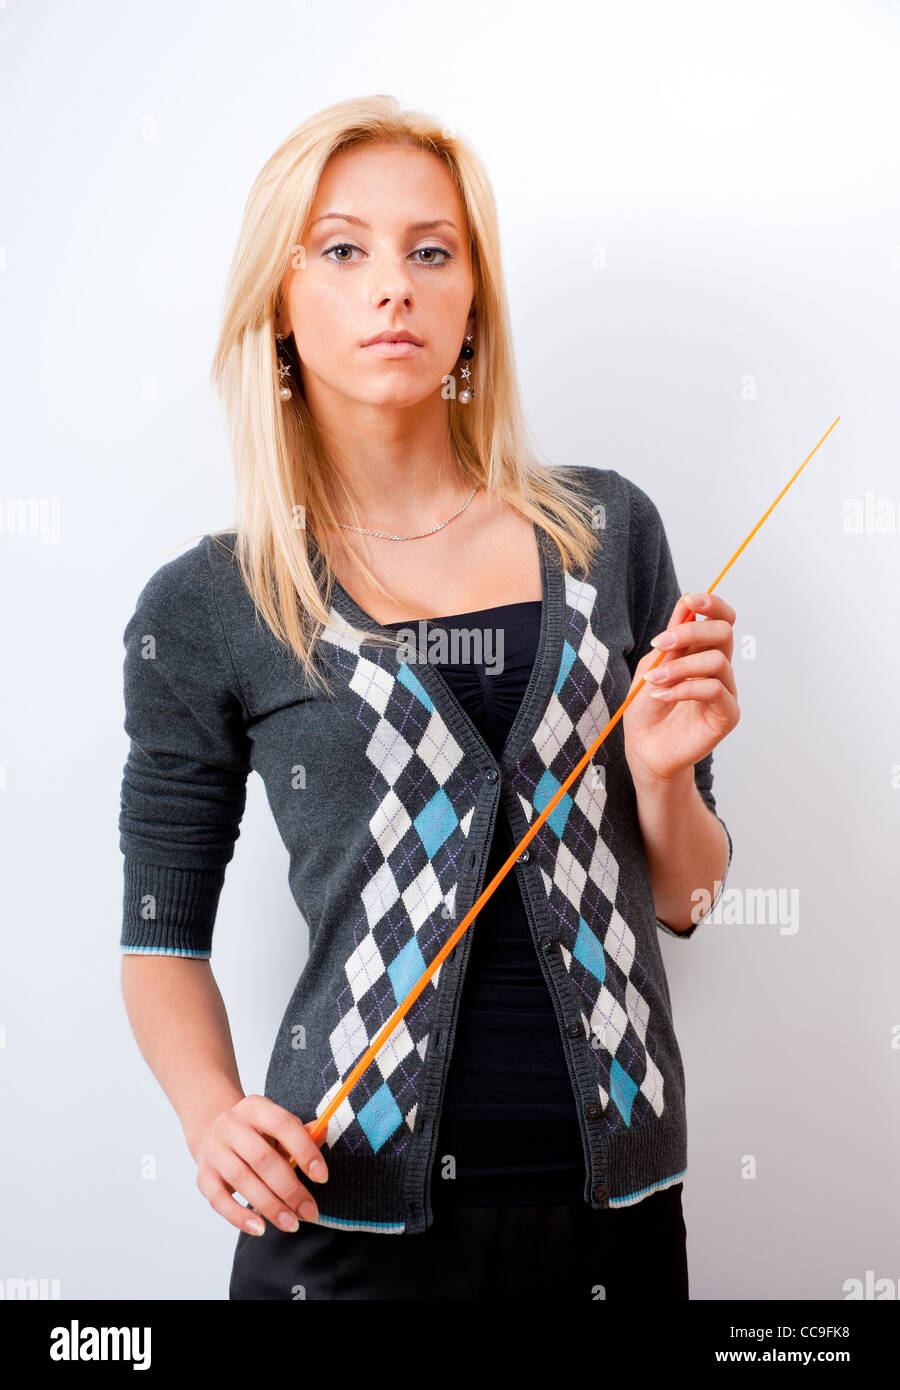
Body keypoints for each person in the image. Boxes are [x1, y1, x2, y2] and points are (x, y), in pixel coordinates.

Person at [118, 95, 739, 1301]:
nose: (392, 285)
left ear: (472, 302)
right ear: (281, 303)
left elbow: (693, 895)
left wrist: (662, 777)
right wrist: (210, 1117)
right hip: (338, 1222)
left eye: (432, 251)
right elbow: (157, 937)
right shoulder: (208, 602)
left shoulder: (608, 531)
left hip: (613, 1217)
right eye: (342, 249)